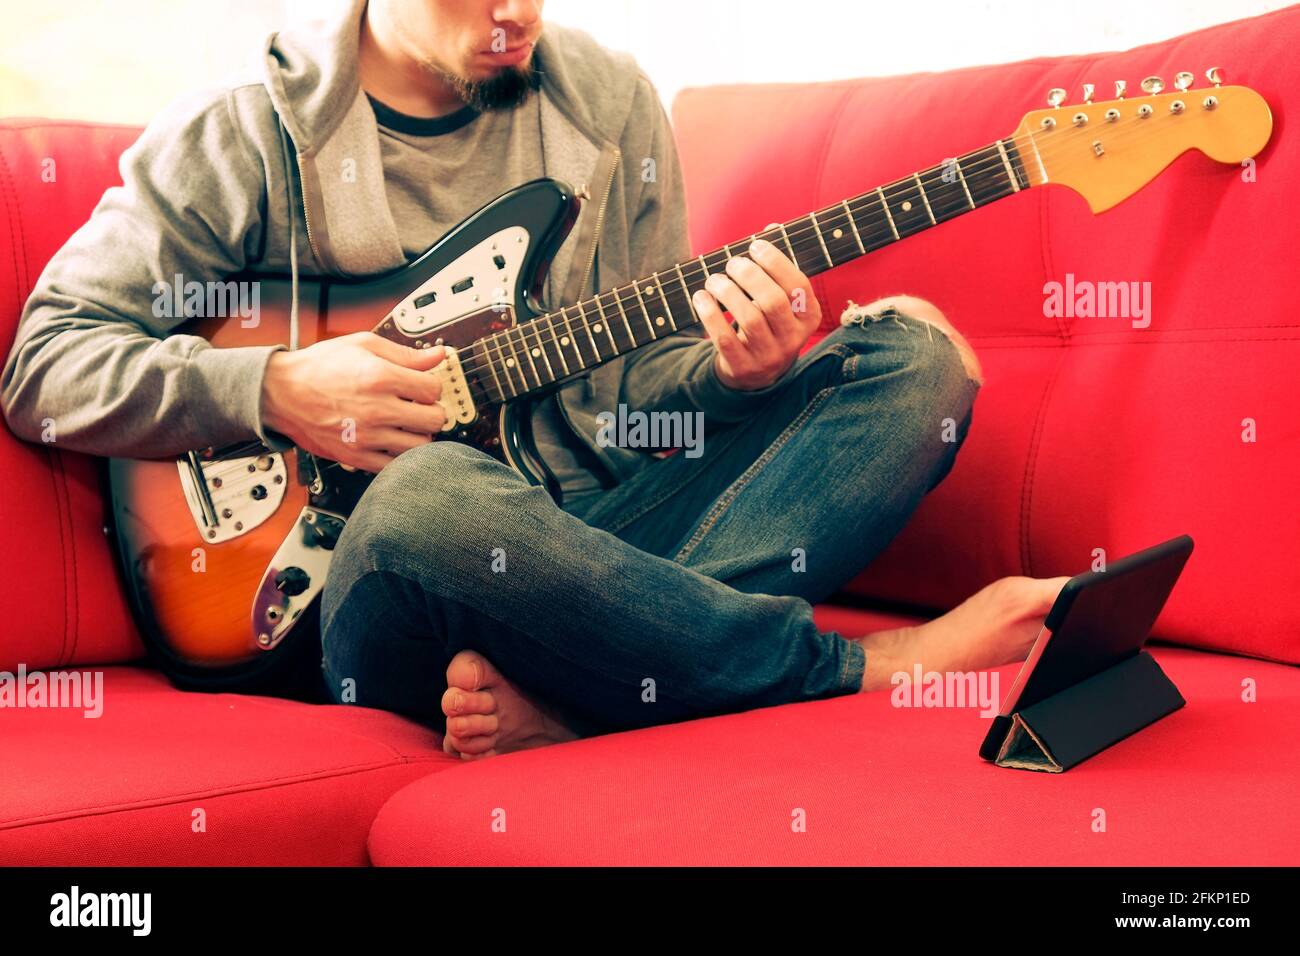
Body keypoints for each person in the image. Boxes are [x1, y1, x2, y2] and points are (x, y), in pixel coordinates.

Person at [1, 0, 1067, 760]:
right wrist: (275, 390)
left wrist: (732, 377)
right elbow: (43, 362)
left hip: (601, 541)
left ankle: (584, 703)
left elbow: (645, 395)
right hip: (368, 587)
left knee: (914, 359)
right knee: (430, 490)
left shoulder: (605, 109)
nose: (515, 13)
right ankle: (860, 667)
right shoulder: (239, 135)